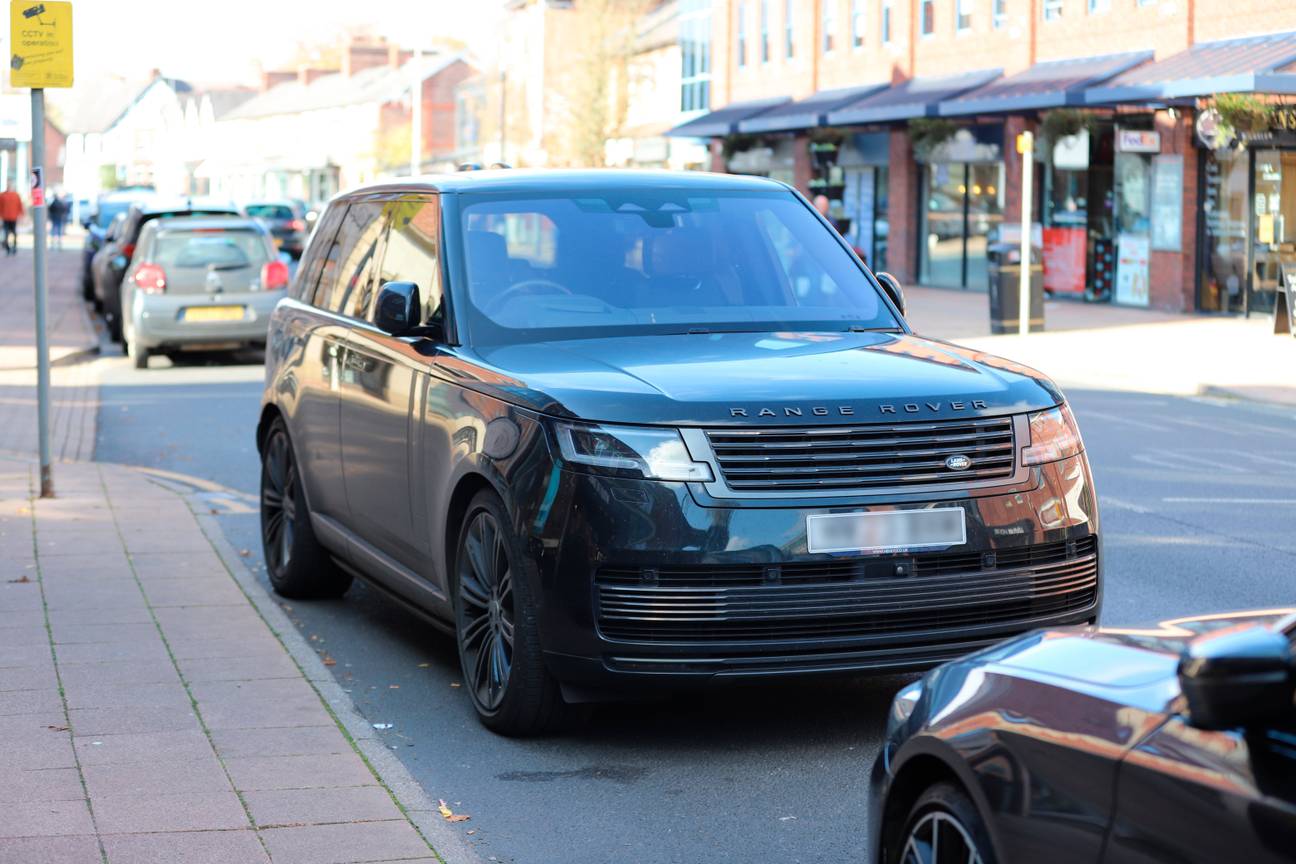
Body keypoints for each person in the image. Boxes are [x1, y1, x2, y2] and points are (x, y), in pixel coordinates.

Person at [0, 185, 22, 256]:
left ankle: (10, 248)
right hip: (9, 217)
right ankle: (11, 247)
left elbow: (20, 206)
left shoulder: (4, 195)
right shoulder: (14, 195)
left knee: (10, 233)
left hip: (9, 217)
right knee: (11, 232)